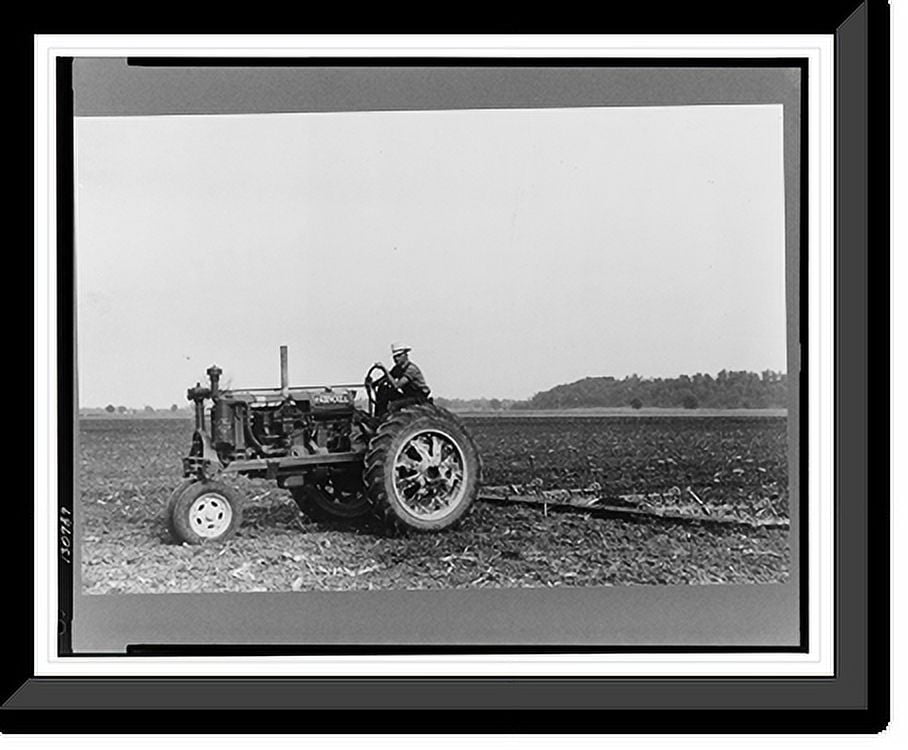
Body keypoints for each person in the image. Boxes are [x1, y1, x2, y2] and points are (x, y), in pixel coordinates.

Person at [372, 342, 432, 417]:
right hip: (407, 396)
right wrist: (374, 383)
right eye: (394, 357)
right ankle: (379, 416)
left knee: (394, 405)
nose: (396, 359)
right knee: (384, 390)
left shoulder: (411, 369)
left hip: (419, 397)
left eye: (399, 356)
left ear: (405, 355)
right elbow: (387, 377)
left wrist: (384, 369)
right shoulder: (397, 368)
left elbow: (397, 386)